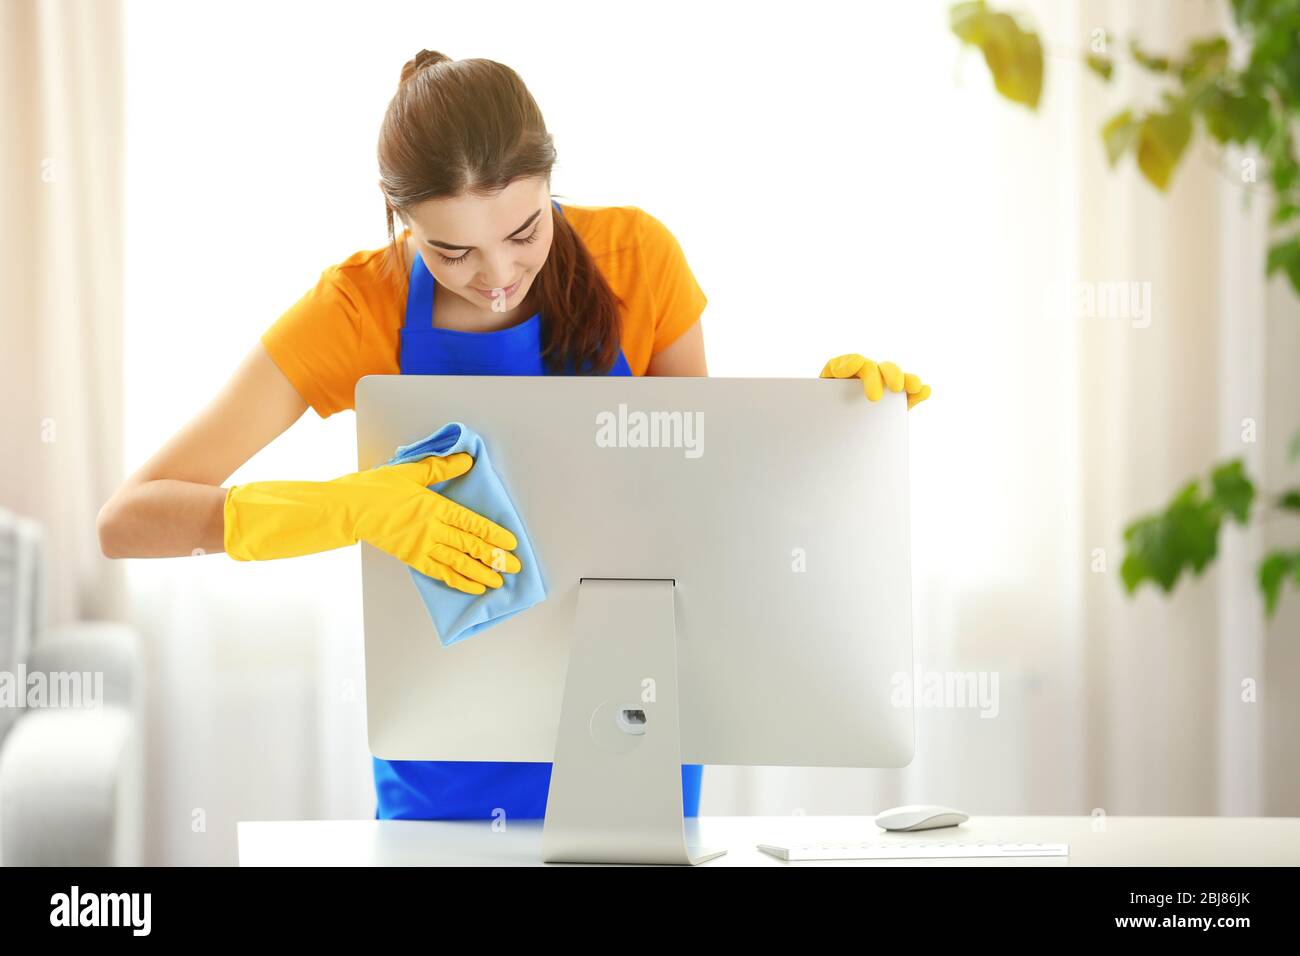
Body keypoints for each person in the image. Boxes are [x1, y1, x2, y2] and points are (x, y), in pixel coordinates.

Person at [97, 49, 930, 822]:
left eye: (524, 232)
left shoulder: (636, 258)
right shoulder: (357, 310)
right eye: (451, 251)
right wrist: (347, 509)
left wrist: (828, 429)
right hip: (446, 754)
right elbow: (128, 521)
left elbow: (702, 512)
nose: (496, 278)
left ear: (550, 179)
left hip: (635, 728)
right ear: (400, 219)